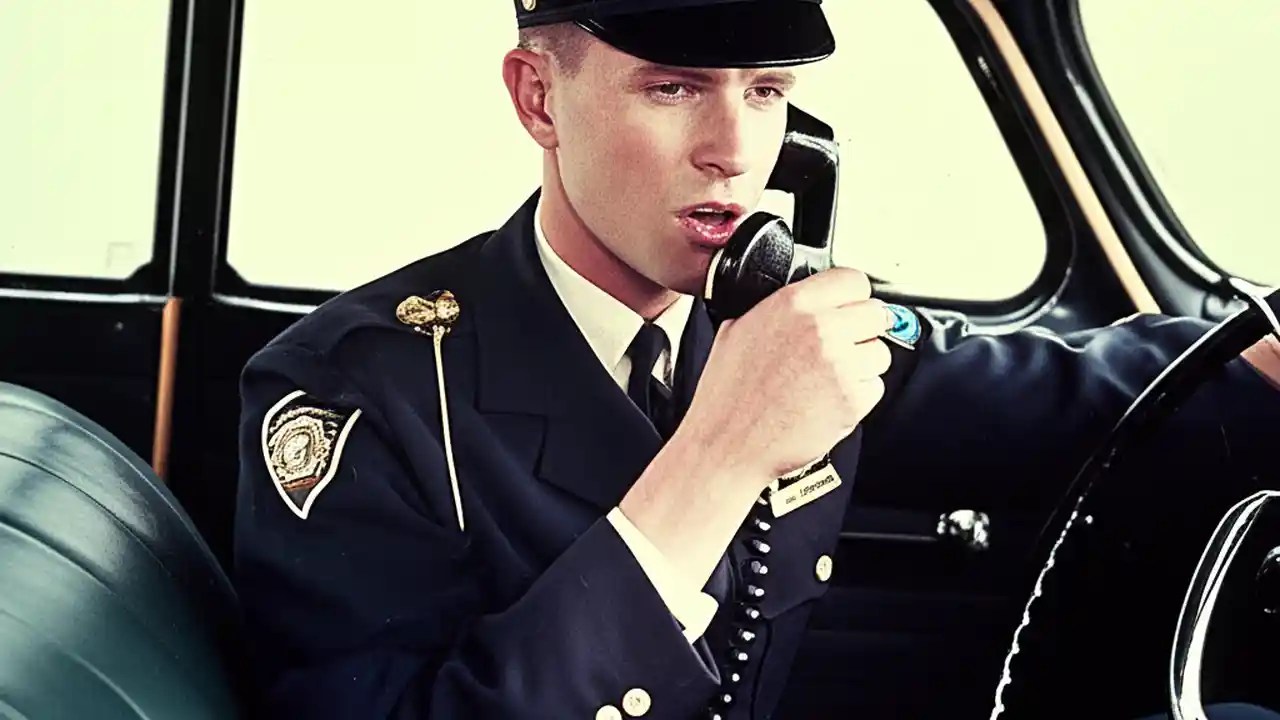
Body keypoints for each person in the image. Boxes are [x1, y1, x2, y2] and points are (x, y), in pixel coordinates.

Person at [231, 0, 1280, 718]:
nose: (734, 151)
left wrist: (1251, 360)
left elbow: (1055, 396)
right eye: (675, 89)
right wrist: (721, 454)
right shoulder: (356, 389)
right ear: (538, 97)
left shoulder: (768, 315)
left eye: (767, 92)